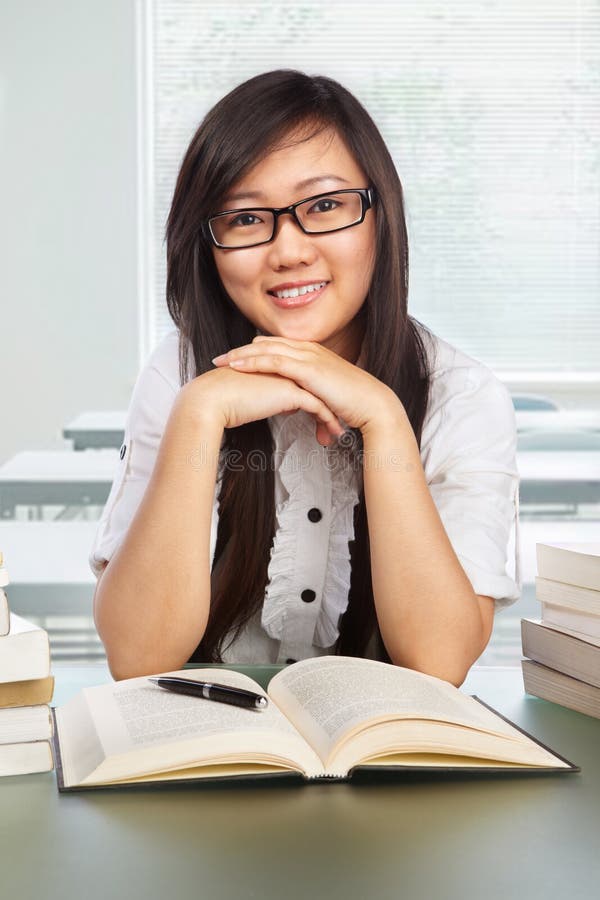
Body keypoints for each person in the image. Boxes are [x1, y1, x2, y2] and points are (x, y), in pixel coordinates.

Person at [91, 69, 520, 685]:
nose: (289, 251)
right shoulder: (178, 374)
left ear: (380, 215)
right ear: (208, 244)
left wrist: (384, 421)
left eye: (324, 206)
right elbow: (137, 660)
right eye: (245, 218)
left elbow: (440, 662)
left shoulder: (462, 395)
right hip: (215, 738)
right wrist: (199, 415)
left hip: (383, 742)